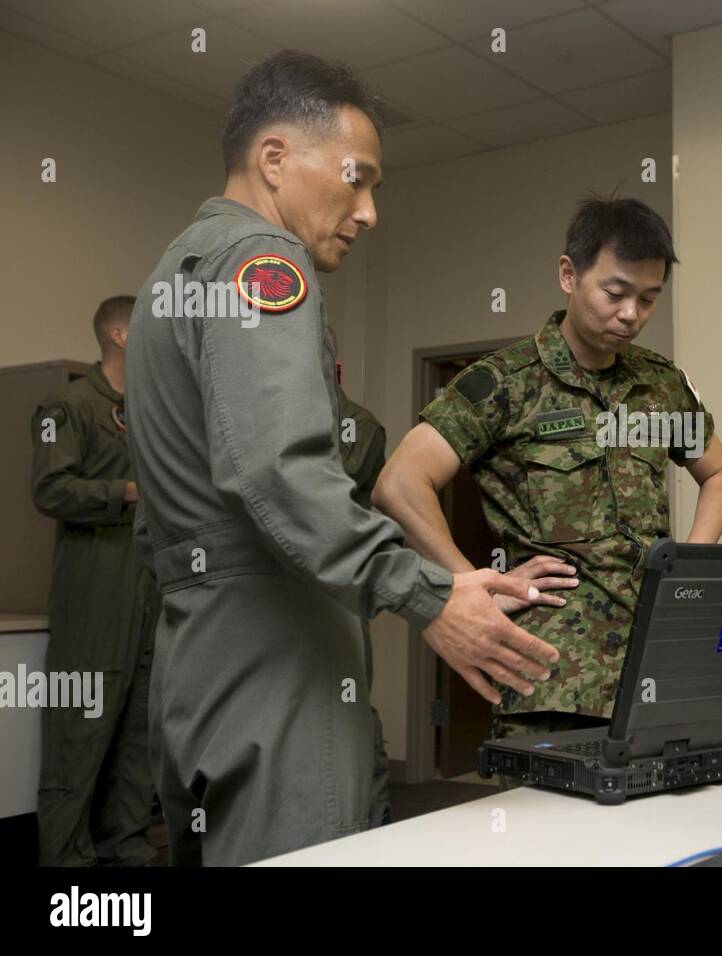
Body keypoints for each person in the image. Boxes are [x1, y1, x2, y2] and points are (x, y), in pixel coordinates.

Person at [125, 50, 557, 865]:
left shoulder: (171, 274)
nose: (368, 212)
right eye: (356, 179)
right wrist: (430, 596)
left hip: (196, 650)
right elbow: (277, 473)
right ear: (275, 158)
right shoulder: (264, 261)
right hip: (277, 647)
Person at [374, 196, 722, 744]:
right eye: (615, 293)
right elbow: (398, 484)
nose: (630, 315)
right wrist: (471, 584)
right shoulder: (506, 382)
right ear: (569, 274)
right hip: (551, 677)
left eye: (648, 299)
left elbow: (720, 475)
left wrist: (691, 563)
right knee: (544, 829)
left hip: (653, 665)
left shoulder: (661, 385)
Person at [30, 295, 159, 866]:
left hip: (152, 595)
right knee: (78, 740)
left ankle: (126, 847)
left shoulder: (157, 410)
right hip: (95, 596)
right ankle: (66, 864)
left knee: (139, 735)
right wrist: (127, 493)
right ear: (121, 335)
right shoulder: (70, 405)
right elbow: (50, 490)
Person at [325, 326, 391, 825]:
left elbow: (322, 498)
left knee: (350, 713)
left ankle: (371, 828)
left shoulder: (356, 426)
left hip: (338, 594)